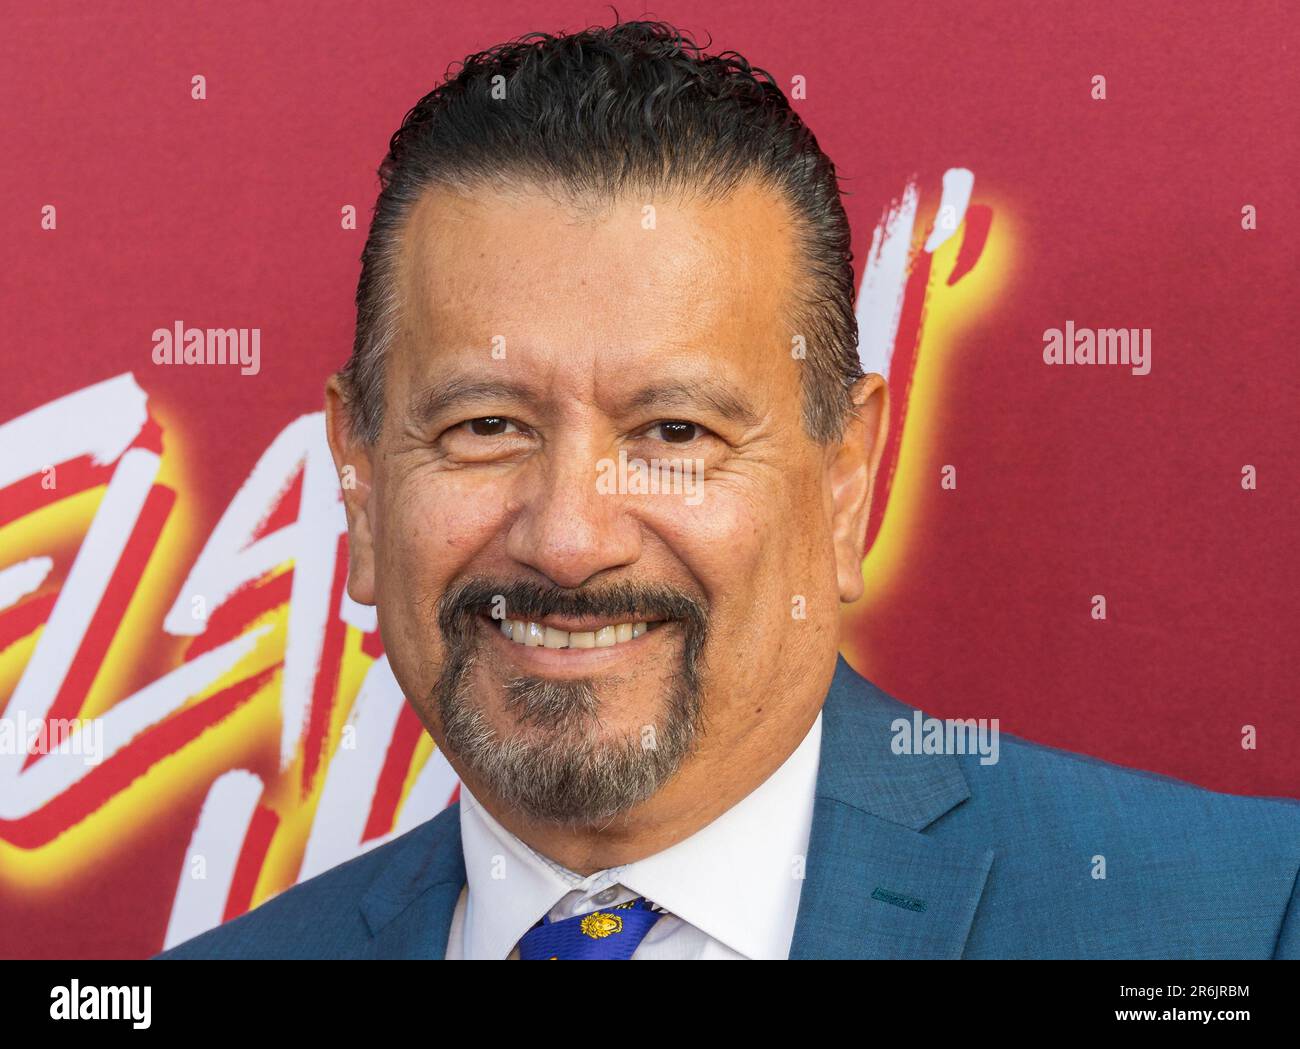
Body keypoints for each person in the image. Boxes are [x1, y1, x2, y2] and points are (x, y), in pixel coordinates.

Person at [156, 19, 1300, 960]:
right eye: (486, 426)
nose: (567, 537)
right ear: (357, 478)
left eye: (674, 430)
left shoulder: (1240, 923)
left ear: (843, 481)